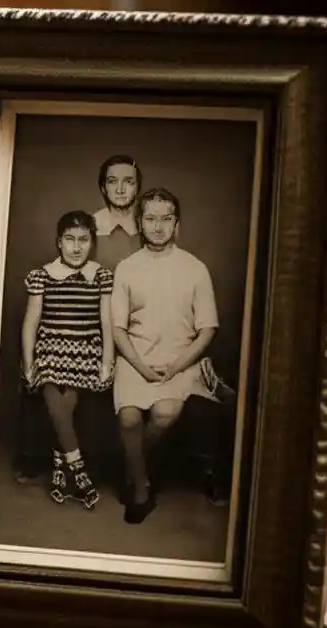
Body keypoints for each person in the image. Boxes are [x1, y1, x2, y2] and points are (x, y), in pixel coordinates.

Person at [110, 188, 219, 523]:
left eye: (166, 218)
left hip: (180, 359)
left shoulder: (195, 269)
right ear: (140, 223)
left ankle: (132, 464)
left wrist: (176, 366)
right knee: (128, 417)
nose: (158, 226)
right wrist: (140, 366)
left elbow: (208, 330)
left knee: (164, 412)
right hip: (134, 357)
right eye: (151, 218)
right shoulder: (127, 268)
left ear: (177, 224)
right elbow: (118, 330)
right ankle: (141, 488)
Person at [20, 210, 115, 510]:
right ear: (59, 242)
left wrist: (107, 362)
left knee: (64, 408)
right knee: (51, 391)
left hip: (85, 349)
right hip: (49, 349)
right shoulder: (43, 276)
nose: (76, 247)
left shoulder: (100, 276)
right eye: (70, 240)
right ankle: (79, 470)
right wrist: (28, 363)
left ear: (92, 243)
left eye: (84, 240)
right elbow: (31, 322)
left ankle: (60, 463)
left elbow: (106, 322)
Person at [92, 155, 143, 270]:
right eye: (112, 181)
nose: (120, 190)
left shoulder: (150, 225)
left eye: (128, 181)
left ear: (137, 188)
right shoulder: (89, 226)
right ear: (103, 188)